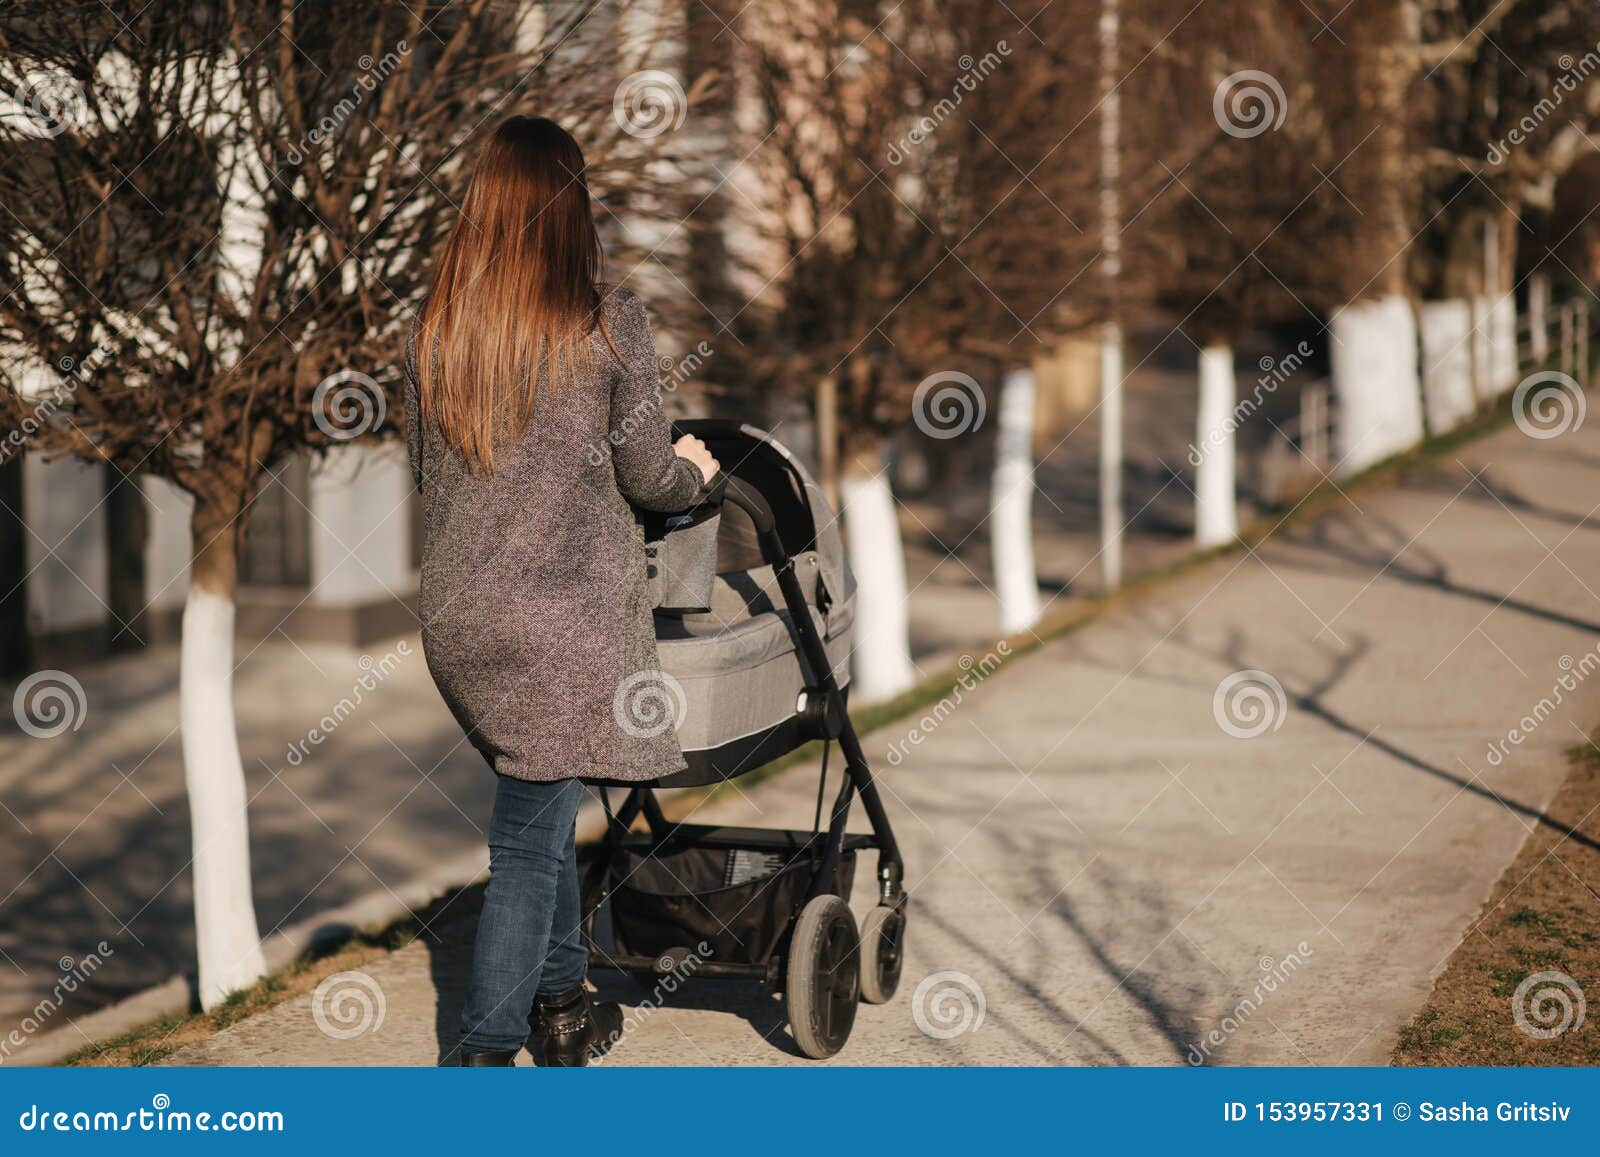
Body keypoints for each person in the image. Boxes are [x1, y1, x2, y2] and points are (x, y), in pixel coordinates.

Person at [402, 115, 719, 1067]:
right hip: (558, 623)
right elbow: (647, 477)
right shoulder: (604, 317)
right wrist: (695, 470)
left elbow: (427, 470)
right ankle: (489, 1055)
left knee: (533, 811)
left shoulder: (436, 329)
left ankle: (565, 1002)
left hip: (459, 621)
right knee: (530, 846)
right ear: (570, 203)